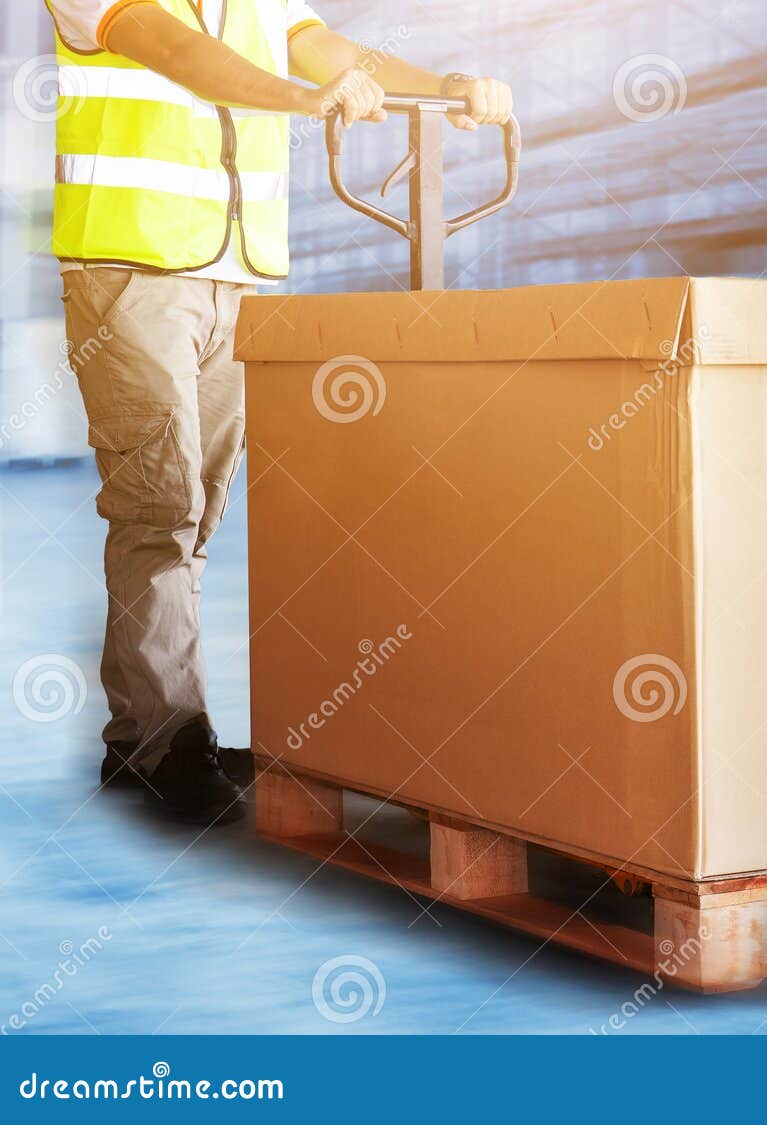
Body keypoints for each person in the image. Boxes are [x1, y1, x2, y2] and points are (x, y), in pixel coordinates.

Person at [46, 0, 512, 825]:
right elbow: (172, 49)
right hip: (131, 268)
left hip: (236, 271)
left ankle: (151, 732)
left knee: (200, 511)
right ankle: (165, 743)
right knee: (159, 506)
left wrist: (445, 87)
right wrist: (306, 101)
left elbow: (331, 49)